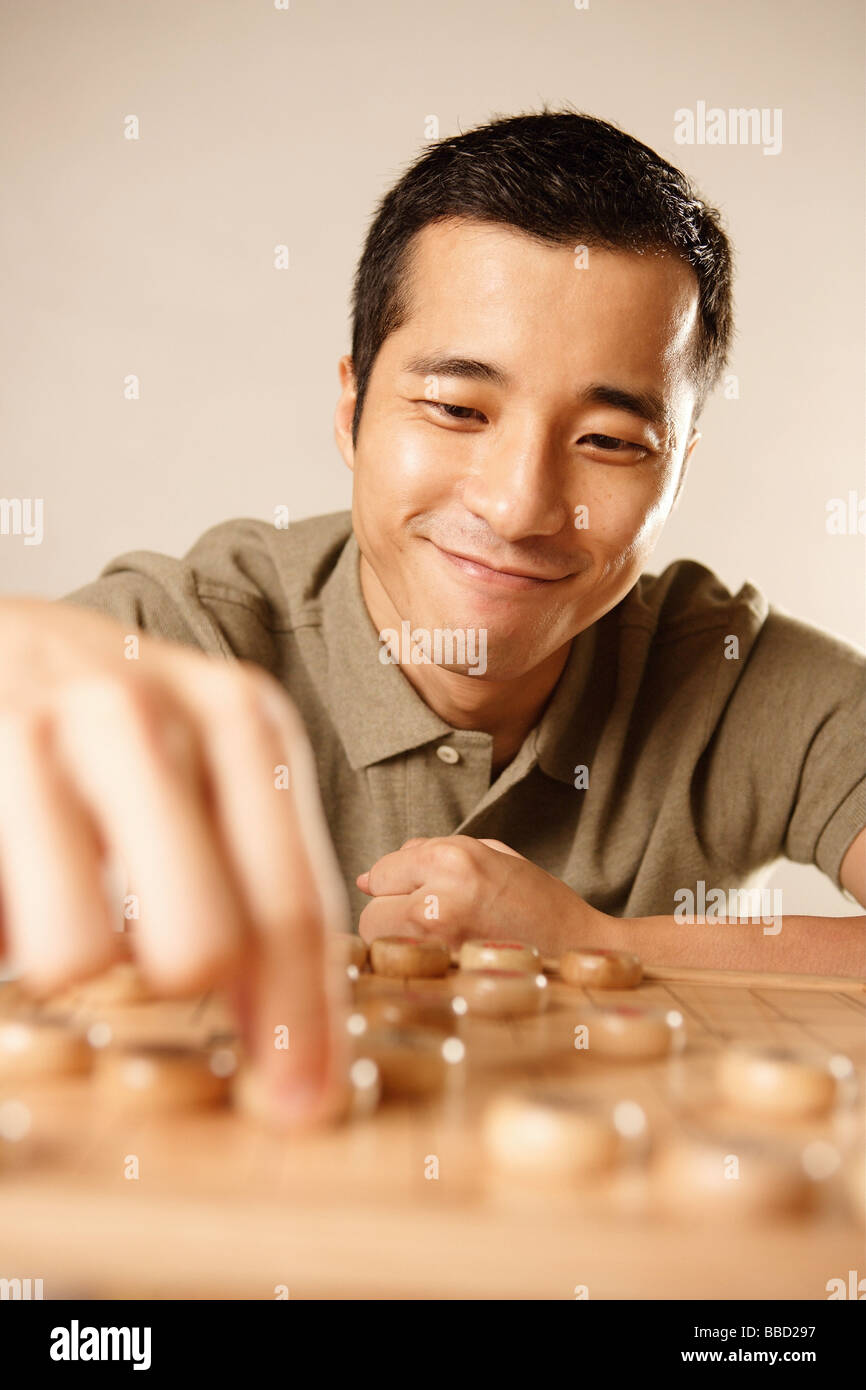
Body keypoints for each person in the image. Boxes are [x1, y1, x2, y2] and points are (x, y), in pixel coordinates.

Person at [1, 111, 863, 1127]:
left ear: (676, 469)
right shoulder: (184, 640)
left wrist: (604, 941)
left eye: (606, 439)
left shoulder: (737, 676)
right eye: (457, 410)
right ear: (351, 406)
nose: (517, 505)